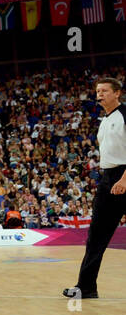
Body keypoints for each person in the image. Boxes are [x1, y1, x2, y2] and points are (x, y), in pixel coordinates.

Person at [64, 77, 126, 300]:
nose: (99, 94)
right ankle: (86, 287)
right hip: (109, 178)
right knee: (96, 235)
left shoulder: (124, 116)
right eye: (97, 91)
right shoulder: (104, 120)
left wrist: (124, 179)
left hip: (124, 176)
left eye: (104, 91)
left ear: (117, 93)